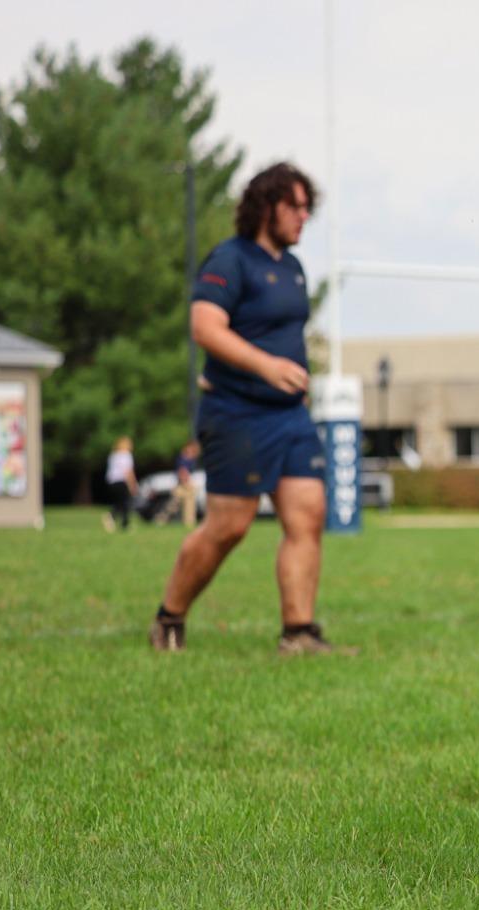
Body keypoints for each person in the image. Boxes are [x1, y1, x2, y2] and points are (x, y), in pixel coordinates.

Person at [150, 162, 342, 656]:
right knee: (230, 526)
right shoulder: (230, 259)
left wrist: (293, 381)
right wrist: (266, 367)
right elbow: (204, 327)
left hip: (290, 416)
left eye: (307, 208)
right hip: (236, 412)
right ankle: (170, 616)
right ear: (266, 206)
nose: (303, 216)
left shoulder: (294, 268)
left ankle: (298, 633)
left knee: (307, 516)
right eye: (294, 206)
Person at [103, 437, 137, 533]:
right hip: (122, 481)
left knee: (119, 502)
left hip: (112, 481)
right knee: (125, 503)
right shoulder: (126, 455)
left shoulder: (113, 455)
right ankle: (122, 522)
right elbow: (128, 471)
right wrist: (132, 484)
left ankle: (122, 521)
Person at [173, 440, 201, 529]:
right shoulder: (184, 459)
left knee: (188, 505)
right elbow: (183, 472)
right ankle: (161, 519)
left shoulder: (187, 459)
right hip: (184, 485)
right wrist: (189, 483)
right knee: (178, 505)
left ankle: (189, 523)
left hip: (185, 484)